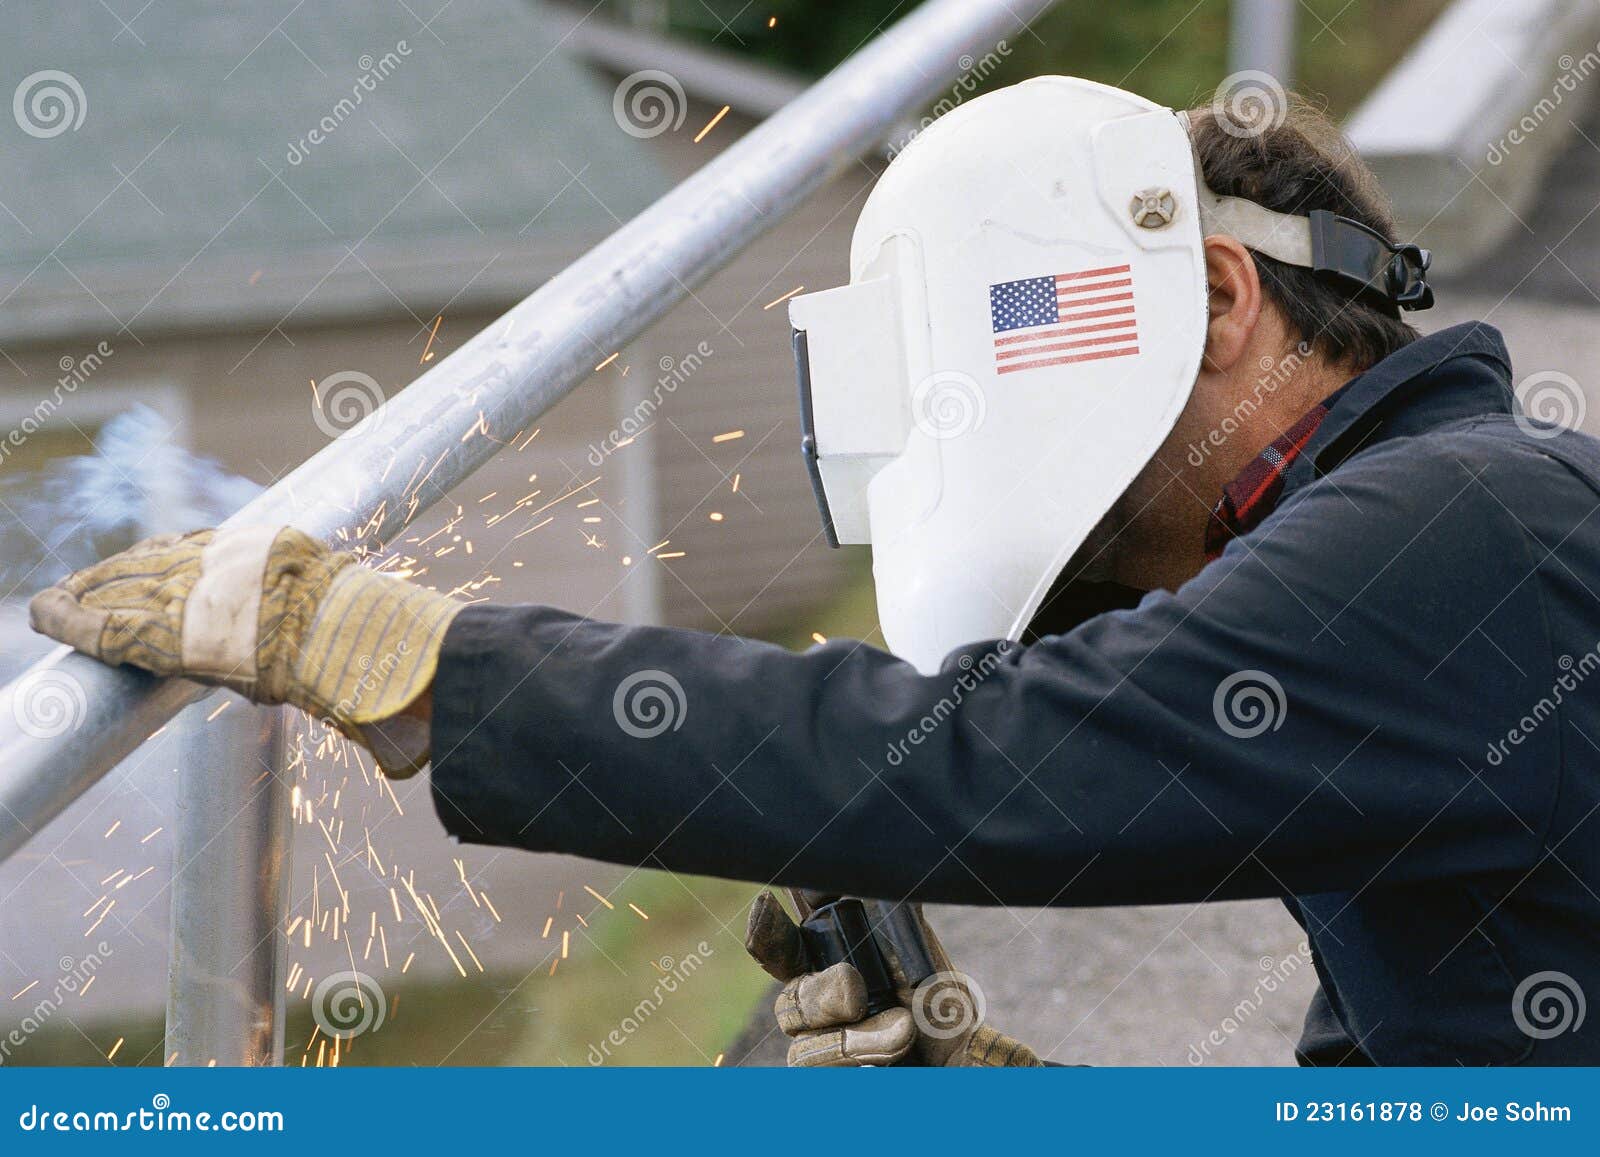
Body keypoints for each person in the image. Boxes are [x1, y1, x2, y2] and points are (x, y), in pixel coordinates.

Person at [30, 80, 1599, 1068]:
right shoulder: (1456, 527)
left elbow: (984, 761)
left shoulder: (1462, 536)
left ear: (1214, 293)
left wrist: (434, 662)